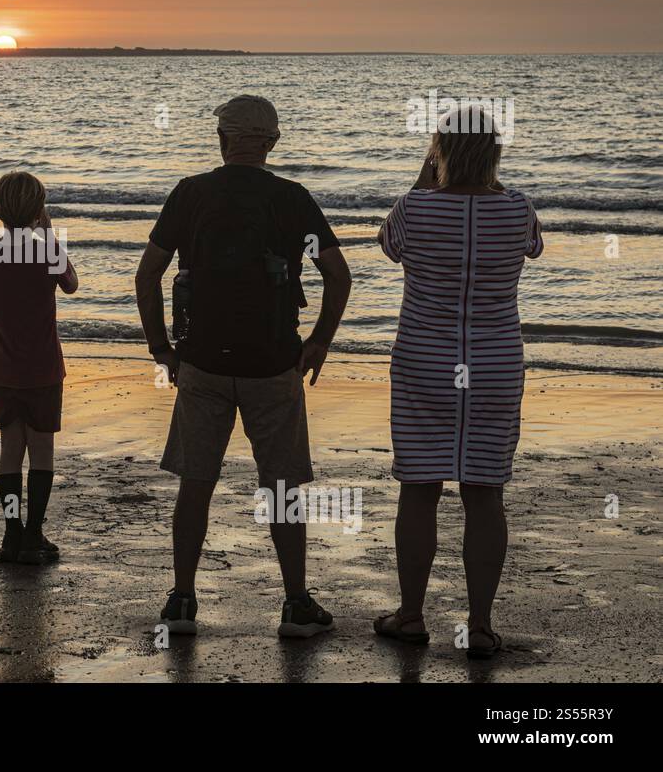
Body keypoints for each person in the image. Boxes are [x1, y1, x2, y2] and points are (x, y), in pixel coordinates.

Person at [135, 95, 351, 637]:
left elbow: (148, 275)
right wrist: (319, 341)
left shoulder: (190, 194)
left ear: (221, 140)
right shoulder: (292, 199)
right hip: (274, 362)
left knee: (196, 482)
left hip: (201, 361)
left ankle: (183, 601)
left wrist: (162, 349)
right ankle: (296, 605)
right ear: (271, 142)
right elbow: (338, 275)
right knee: (280, 488)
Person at [373, 106, 543, 660]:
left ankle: (412, 615)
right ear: (495, 151)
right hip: (494, 364)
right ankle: (481, 624)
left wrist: (427, 177)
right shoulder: (517, 208)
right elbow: (533, 247)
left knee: (419, 487)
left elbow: (388, 245)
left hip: (424, 360)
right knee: (484, 492)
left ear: (438, 151)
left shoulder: (413, 207)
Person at [0, 171, 78, 565]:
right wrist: (47, 235)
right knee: (42, 451)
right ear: (39, 210)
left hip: (1, 367)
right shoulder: (46, 252)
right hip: (43, 368)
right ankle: (34, 534)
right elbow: (71, 283)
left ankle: (11, 534)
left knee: (9, 451)